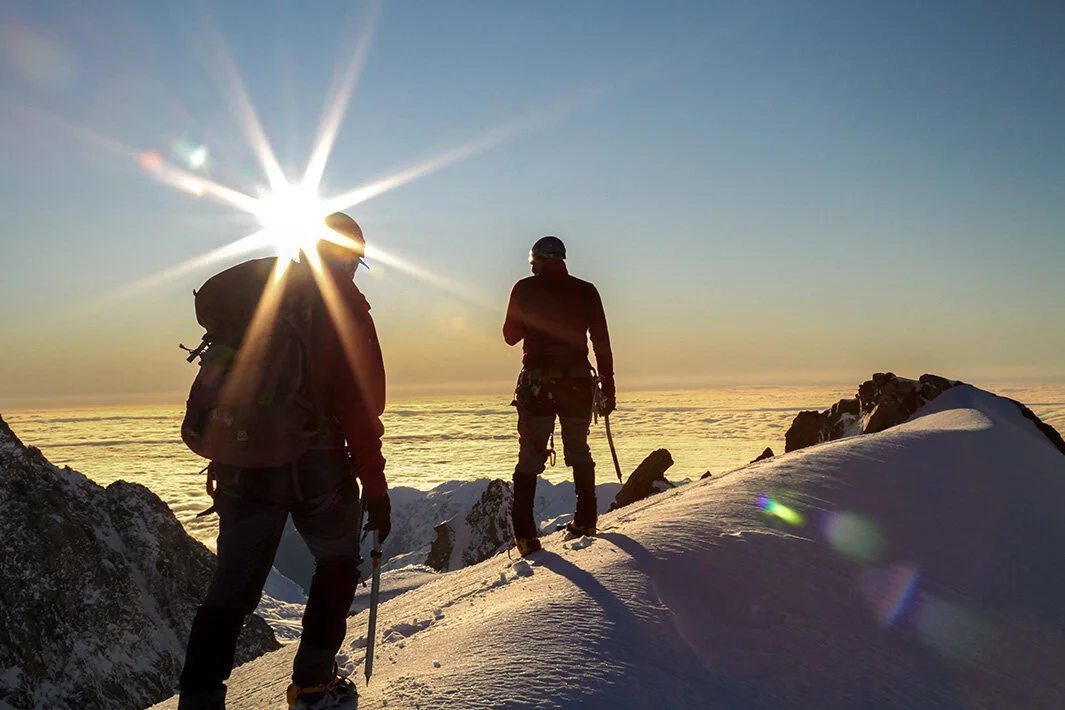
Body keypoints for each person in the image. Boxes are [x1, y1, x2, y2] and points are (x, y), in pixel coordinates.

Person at [178, 212, 392, 710]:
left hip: (243, 465)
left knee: (229, 594)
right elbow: (359, 406)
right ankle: (313, 687)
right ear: (350, 258)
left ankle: (199, 701)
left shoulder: (266, 298)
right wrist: (376, 488)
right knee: (336, 564)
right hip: (318, 466)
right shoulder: (344, 309)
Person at [503, 235, 616, 556]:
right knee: (579, 449)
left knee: (530, 454)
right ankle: (586, 520)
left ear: (537, 261)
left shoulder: (525, 288)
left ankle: (525, 536)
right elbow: (601, 341)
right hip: (577, 382)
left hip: (538, 384)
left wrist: (532, 320)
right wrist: (608, 386)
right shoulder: (586, 290)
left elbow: (510, 336)